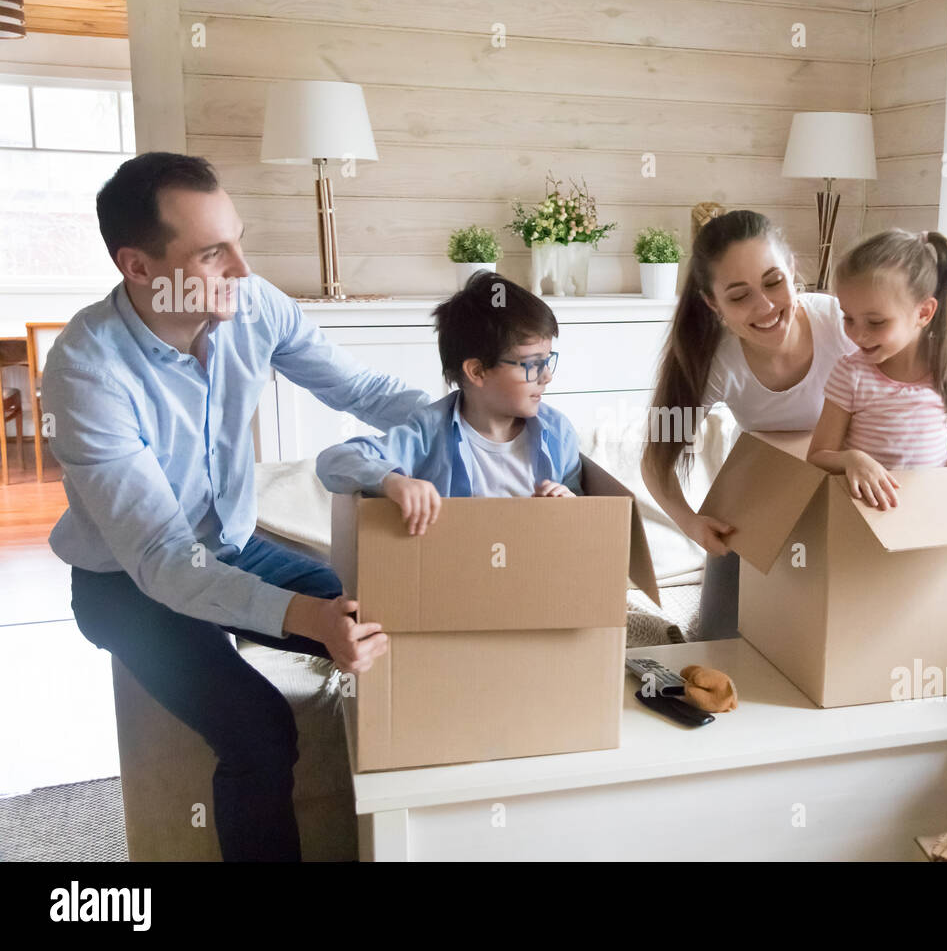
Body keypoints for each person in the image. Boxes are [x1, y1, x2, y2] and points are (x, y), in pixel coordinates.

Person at [42, 152, 434, 861]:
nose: (244, 272)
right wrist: (304, 616)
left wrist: (476, 417)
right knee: (259, 729)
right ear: (138, 266)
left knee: (381, 617)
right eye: (213, 254)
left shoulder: (253, 306)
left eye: (239, 241)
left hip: (230, 543)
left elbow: (364, 391)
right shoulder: (86, 369)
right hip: (126, 585)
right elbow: (162, 558)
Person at [640, 209, 857, 639]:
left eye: (774, 281)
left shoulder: (840, 324)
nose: (765, 307)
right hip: (764, 502)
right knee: (721, 639)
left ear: (793, 269)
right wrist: (691, 523)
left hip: (846, 495)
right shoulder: (716, 362)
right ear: (712, 303)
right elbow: (657, 459)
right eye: (739, 296)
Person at [316, 272, 582, 528]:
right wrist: (392, 481)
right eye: (533, 364)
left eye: (547, 361)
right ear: (477, 372)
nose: (546, 375)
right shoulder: (428, 432)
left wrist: (571, 504)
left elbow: (589, 510)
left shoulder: (558, 431)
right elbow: (334, 461)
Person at [807, 228, 947, 504]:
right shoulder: (851, 374)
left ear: (923, 313)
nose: (857, 334)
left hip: (926, 507)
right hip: (865, 509)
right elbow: (818, 455)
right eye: (848, 318)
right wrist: (852, 459)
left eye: (876, 322)